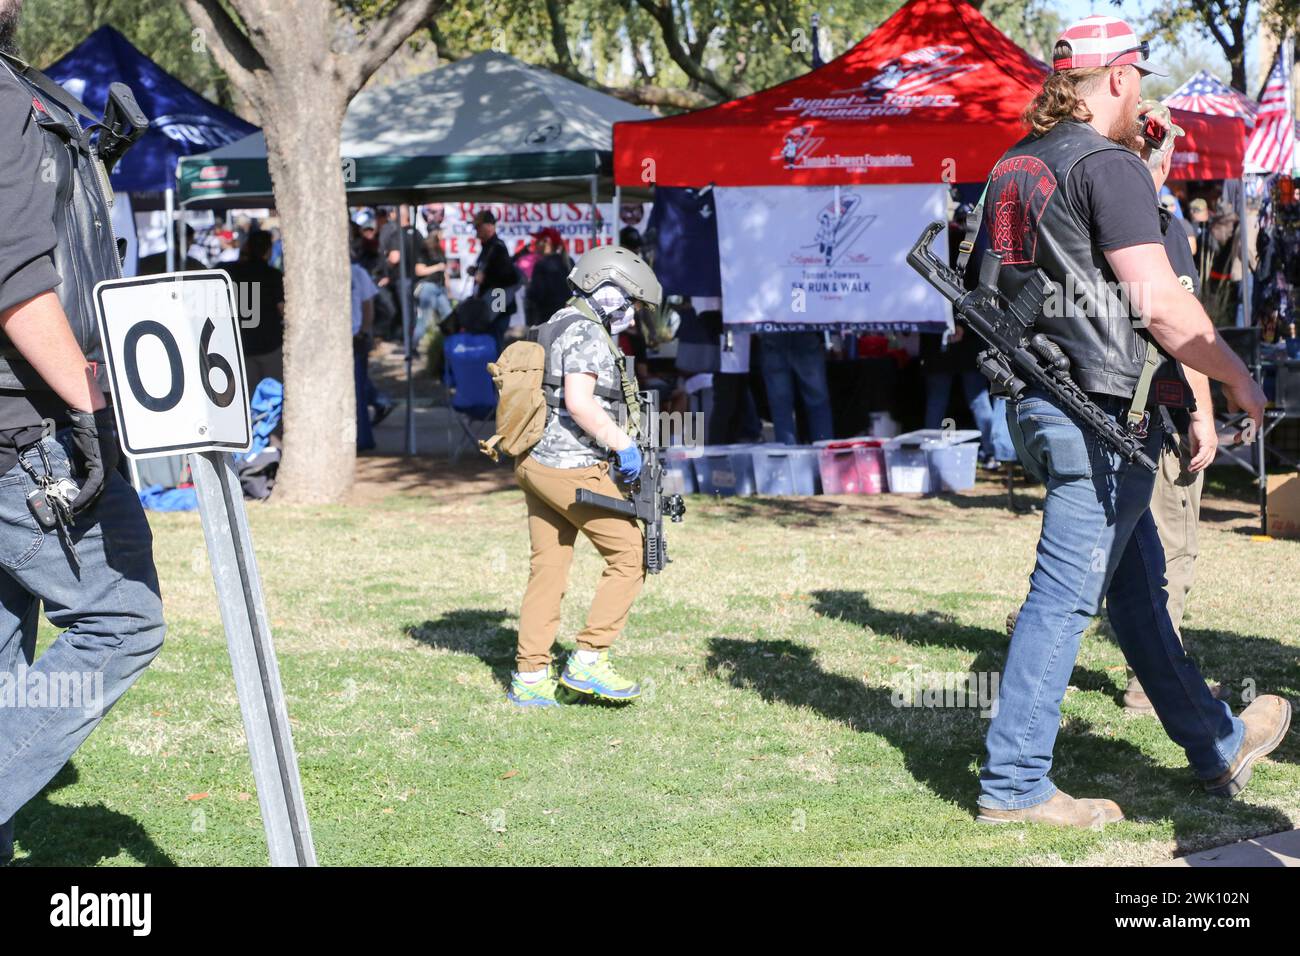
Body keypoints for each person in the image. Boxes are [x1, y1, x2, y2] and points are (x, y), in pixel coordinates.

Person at [975, 16, 1285, 829]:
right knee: (1064, 597)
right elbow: (1156, 302)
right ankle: (1013, 786)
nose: (1144, 96)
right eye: (1139, 79)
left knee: (1137, 591)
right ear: (1117, 78)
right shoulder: (1105, 164)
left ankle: (1215, 742)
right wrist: (1237, 377)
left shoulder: (1014, 164)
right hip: (1094, 414)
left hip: (1042, 402)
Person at [0, 5, 166, 863]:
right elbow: (17, 279)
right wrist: (90, 402)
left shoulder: (21, 86)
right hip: (30, 433)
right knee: (123, 622)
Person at [508, 246, 661, 708]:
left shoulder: (555, 321)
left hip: (535, 461)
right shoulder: (588, 333)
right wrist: (623, 445)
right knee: (630, 555)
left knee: (548, 567)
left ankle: (531, 675)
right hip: (570, 465)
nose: (632, 316)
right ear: (608, 291)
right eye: (630, 304)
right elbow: (580, 401)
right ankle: (588, 660)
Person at [224, 230, 285, 388]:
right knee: (273, 395)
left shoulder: (232, 272)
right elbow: (282, 309)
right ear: (268, 250)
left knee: (247, 397)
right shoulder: (273, 275)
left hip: (241, 344)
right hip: (270, 345)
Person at [758, 331, 834, 444]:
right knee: (817, 400)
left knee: (780, 404)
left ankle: (788, 454)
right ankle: (824, 449)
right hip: (803, 327)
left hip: (773, 330)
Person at [471, 210, 519, 349]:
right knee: (490, 341)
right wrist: (475, 271)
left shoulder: (497, 247)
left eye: (478, 227)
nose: (476, 231)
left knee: (494, 341)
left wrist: (485, 279)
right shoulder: (488, 247)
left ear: (489, 226)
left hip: (498, 302)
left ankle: (495, 370)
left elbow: (509, 277)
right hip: (491, 302)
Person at [524, 228, 571, 326]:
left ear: (547, 242)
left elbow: (536, 294)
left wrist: (528, 290)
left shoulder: (542, 265)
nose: (535, 244)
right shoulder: (568, 262)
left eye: (538, 241)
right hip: (566, 318)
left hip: (546, 319)